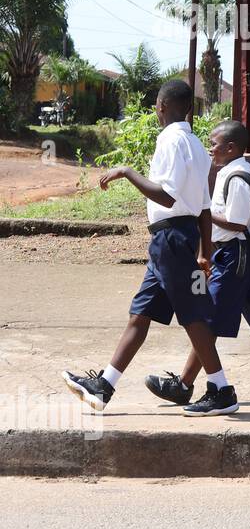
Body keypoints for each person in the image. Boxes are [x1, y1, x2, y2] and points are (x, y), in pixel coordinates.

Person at [62, 80, 237, 415]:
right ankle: (104, 386)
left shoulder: (170, 139)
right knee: (140, 313)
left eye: (157, 106)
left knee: (192, 316)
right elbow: (202, 207)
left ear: (161, 106)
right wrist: (205, 250)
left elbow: (167, 195)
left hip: (171, 238)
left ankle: (222, 389)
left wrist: (127, 171)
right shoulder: (198, 147)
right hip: (173, 239)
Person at [144, 119, 250, 408]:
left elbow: (238, 223)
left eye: (214, 144)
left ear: (231, 148)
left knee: (209, 318)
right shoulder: (232, 172)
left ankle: (184, 384)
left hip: (235, 257)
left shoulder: (236, 178)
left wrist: (201, 214)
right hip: (241, 256)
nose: (210, 149)